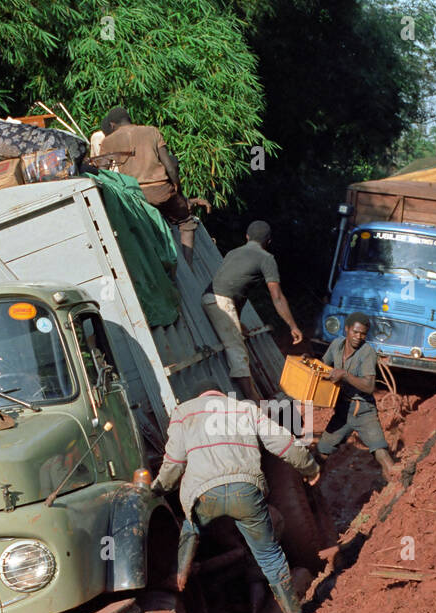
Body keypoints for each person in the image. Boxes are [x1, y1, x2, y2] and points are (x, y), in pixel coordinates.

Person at [152, 390, 321, 613]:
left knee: (190, 527)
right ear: (222, 396)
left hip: (203, 495)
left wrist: (157, 489)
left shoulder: (183, 412)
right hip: (246, 491)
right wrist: (310, 468)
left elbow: (174, 463)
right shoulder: (245, 409)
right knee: (271, 557)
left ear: (200, 397)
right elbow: (284, 444)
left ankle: (180, 575)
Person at [203, 220, 303, 403]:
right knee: (237, 349)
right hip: (221, 301)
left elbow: (235, 290)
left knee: (236, 342)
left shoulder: (233, 252)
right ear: (269, 241)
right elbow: (277, 296)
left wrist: (237, 322)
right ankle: (253, 399)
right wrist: (293, 326)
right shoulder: (266, 258)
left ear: (247, 237)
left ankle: (252, 395)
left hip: (210, 298)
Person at [100, 107, 211, 266]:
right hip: (161, 191)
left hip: (135, 195)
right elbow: (170, 167)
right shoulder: (151, 131)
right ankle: (188, 265)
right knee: (186, 221)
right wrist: (177, 191)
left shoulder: (108, 141)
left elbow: (102, 173)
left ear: (112, 125)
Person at [316, 312, 397, 482]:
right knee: (322, 452)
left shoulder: (367, 352)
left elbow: (369, 386)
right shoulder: (336, 345)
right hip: (342, 411)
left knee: (381, 453)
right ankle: (310, 494)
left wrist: (345, 375)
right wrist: (308, 363)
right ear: (346, 329)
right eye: (355, 332)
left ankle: (398, 490)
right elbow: (322, 366)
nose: (358, 337)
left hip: (363, 411)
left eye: (363, 334)